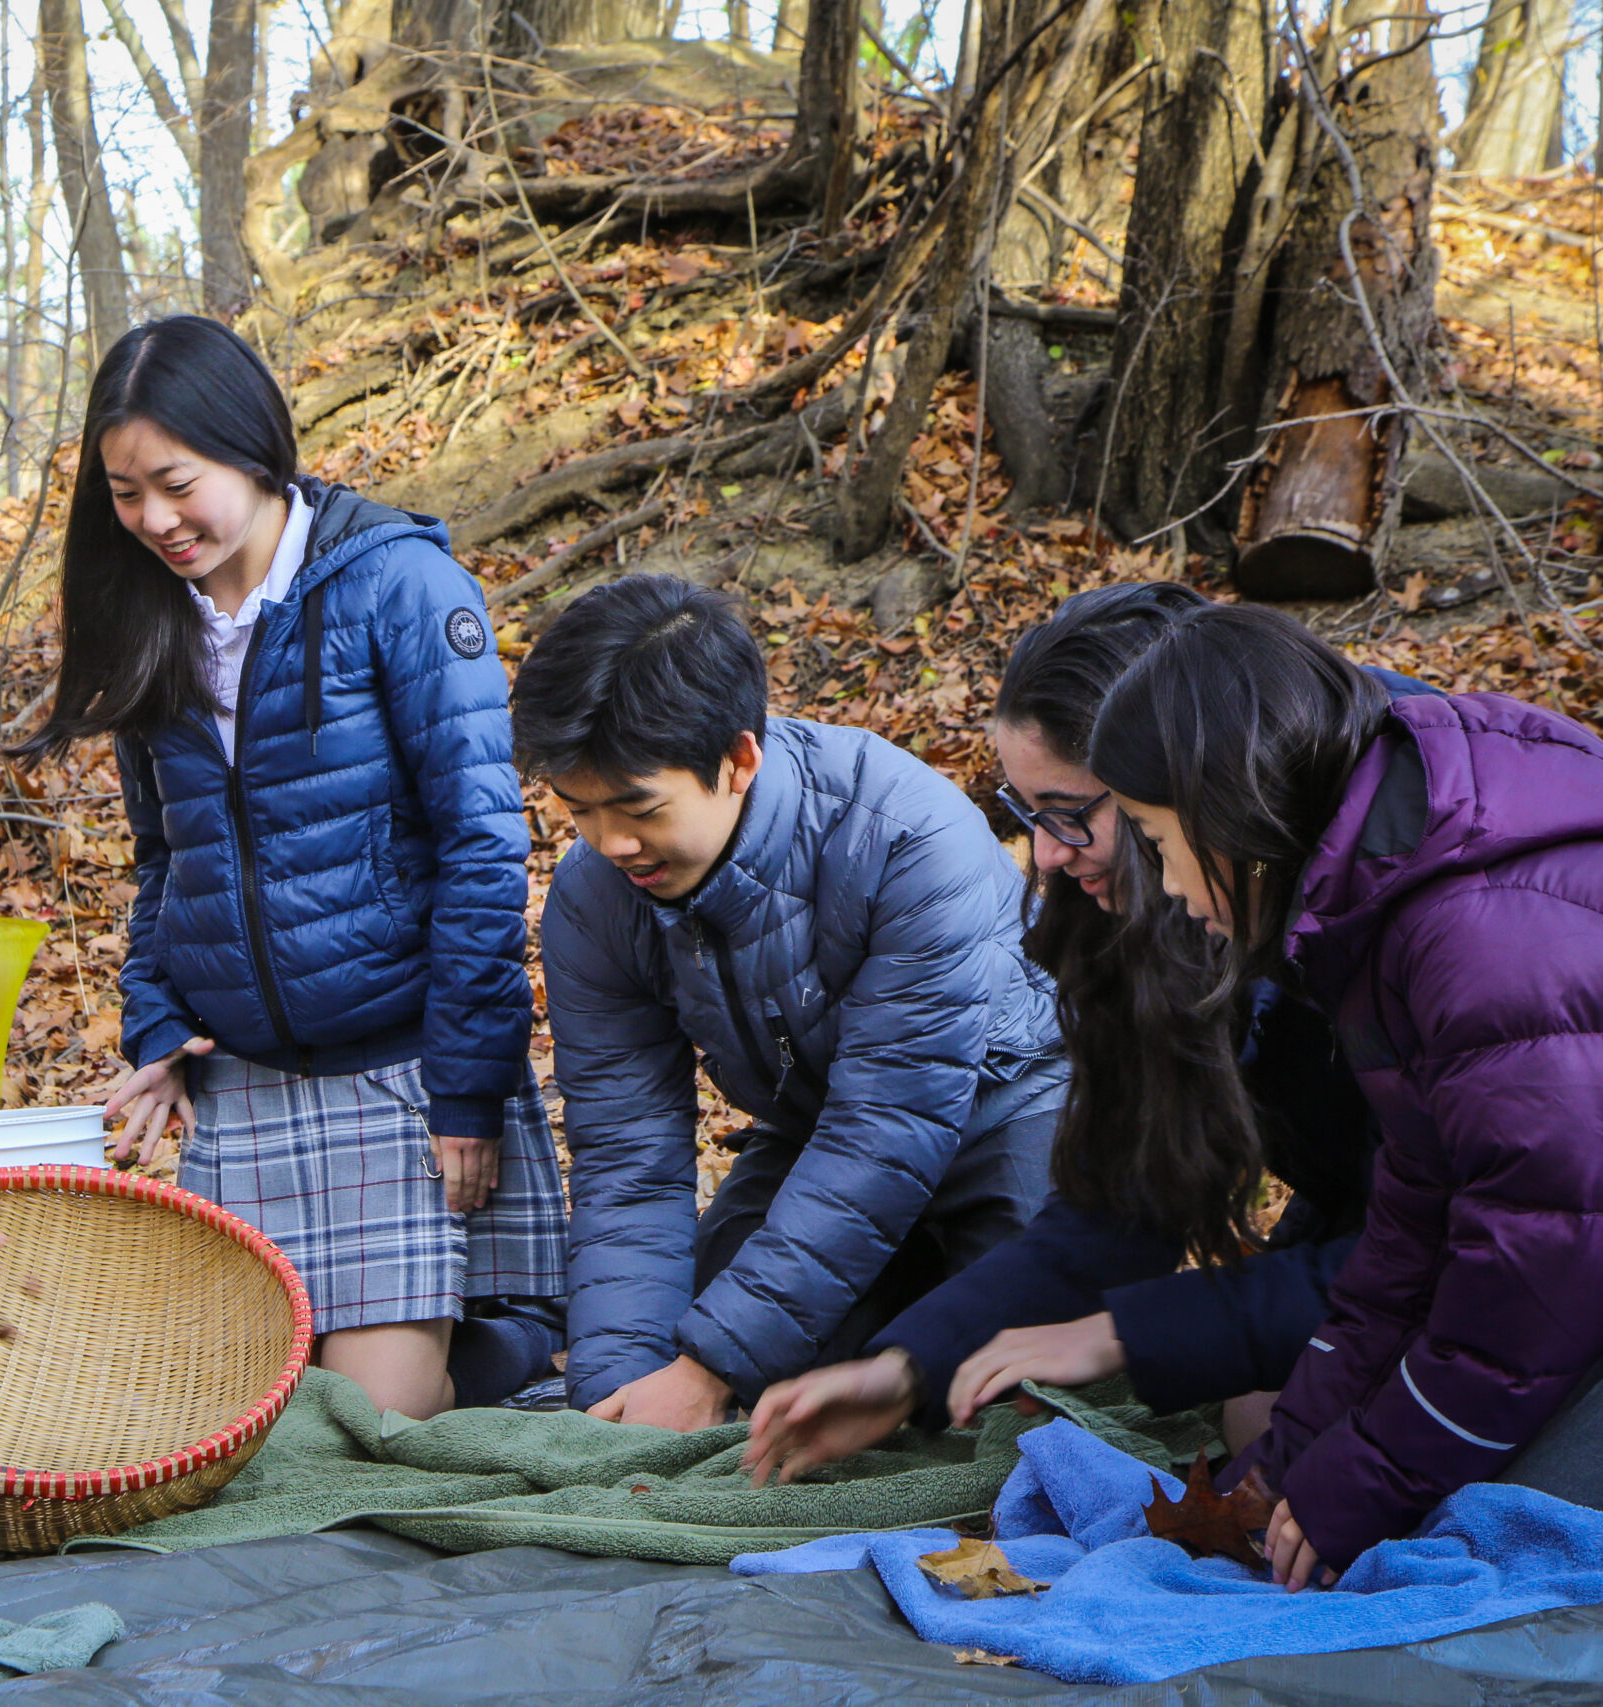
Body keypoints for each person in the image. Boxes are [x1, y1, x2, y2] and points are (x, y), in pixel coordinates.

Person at [14, 315, 566, 1419]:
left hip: (397, 1074)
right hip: (245, 1085)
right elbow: (167, 856)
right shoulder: (145, 619)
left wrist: (466, 1086)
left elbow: (481, 845)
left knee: (372, 1422)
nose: (155, 521)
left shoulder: (399, 587)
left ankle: (517, 1342)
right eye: (124, 494)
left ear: (255, 447)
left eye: (176, 482)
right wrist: (158, 1026)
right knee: (245, 1423)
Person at [743, 583, 1384, 1486]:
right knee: (1265, 1421)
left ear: (1191, 784)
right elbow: (1122, 1200)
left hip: (1512, 1244)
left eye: (1071, 813)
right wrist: (908, 1368)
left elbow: (1452, 1248)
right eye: (1025, 811)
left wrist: (1131, 1330)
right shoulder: (1135, 908)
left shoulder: (1389, 895)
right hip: (1396, 1220)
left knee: (1307, 1440)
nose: (1043, 852)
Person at [1086, 602, 1603, 1590]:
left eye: (1154, 841)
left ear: (1220, 807)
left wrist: (1358, 1482)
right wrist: (1279, 1470)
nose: (1164, 885)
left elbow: (1536, 1271)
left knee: (1488, 1546)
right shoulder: (1379, 894)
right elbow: (1412, 1229)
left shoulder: (1471, 934)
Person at [512, 574, 1066, 1433]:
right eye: (577, 809)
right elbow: (630, 1158)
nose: (609, 842)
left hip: (1011, 1109)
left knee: (1002, 1392)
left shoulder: (906, 838)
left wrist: (710, 1369)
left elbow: (887, 1131)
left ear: (739, 760)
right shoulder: (596, 898)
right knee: (700, 1335)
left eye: (637, 808)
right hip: (813, 1129)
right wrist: (617, 1401)